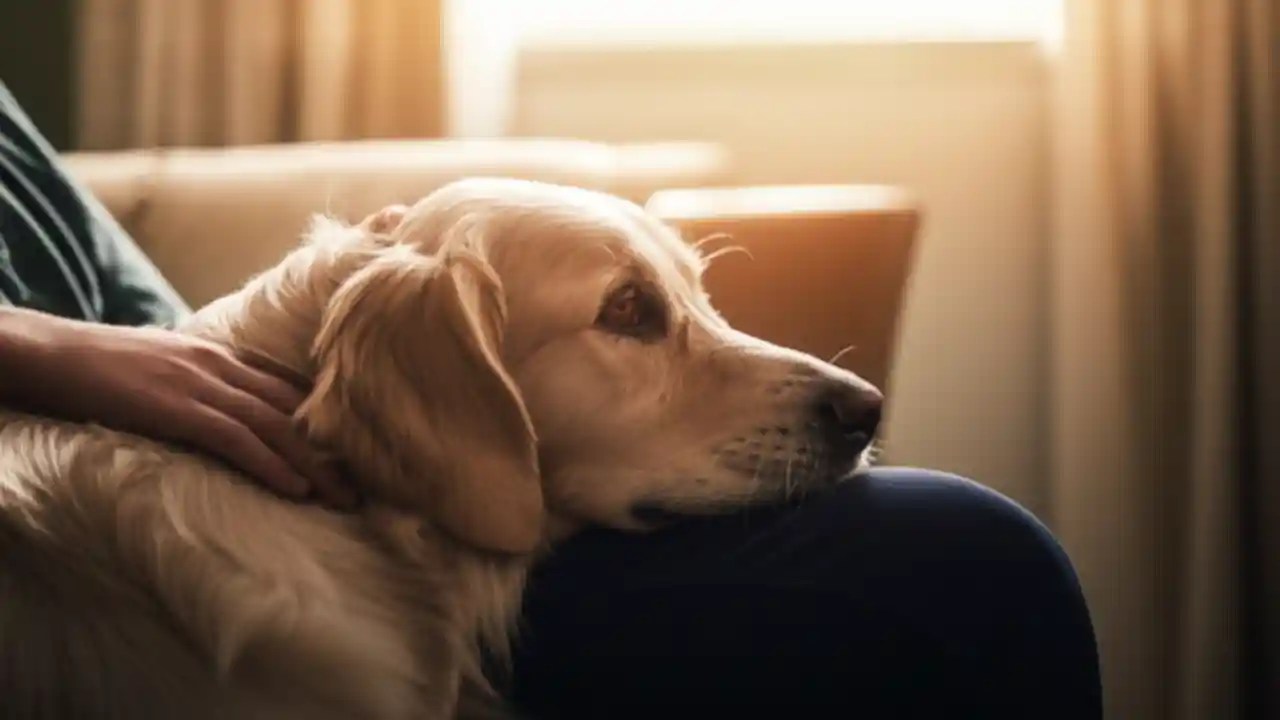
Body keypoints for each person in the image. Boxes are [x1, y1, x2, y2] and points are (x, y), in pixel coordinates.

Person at [0, 83, 1101, 718]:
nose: (839, 397)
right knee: (969, 564)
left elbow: (163, 330)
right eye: (634, 316)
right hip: (302, 513)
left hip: (286, 482)